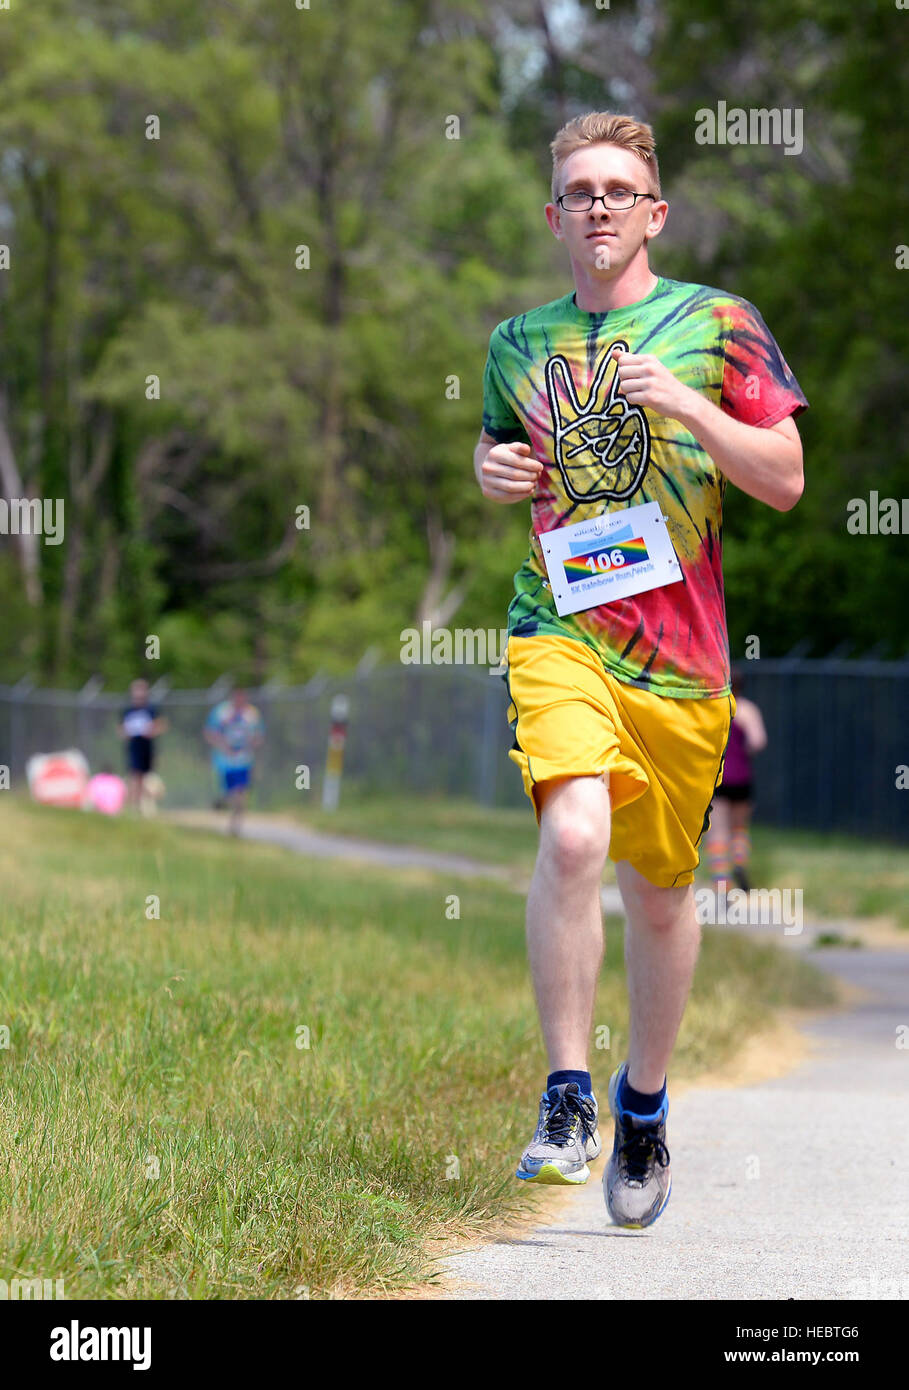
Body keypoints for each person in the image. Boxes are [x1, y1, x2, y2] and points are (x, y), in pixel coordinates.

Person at [475, 112, 807, 1228]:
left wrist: (687, 405)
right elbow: (504, 463)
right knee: (573, 835)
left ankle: (645, 1103)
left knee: (662, 900)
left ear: (655, 212)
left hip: (681, 666)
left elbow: (786, 480)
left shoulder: (720, 325)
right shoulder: (517, 344)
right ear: (555, 215)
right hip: (559, 630)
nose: (601, 204)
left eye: (621, 188)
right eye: (580, 189)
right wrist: (491, 468)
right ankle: (568, 1096)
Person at [706, 668, 767, 894]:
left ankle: (722, 885)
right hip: (742, 778)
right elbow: (758, 741)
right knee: (739, 828)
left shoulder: (715, 708)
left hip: (718, 779)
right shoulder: (748, 710)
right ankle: (739, 862)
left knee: (718, 833)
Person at [203, 688, 265, 835]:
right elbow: (209, 732)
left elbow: (259, 735)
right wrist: (223, 746)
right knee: (230, 793)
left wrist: (250, 745)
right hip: (225, 761)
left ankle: (235, 827)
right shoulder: (221, 712)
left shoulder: (252, 714)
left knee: (241, 793)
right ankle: (224, 803)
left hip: (243, 761)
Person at [118, 680, 168, 812]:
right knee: (135, 776)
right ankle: (135, 806)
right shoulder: (128, 711)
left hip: (147, 747)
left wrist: (151, 731)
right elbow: (121, 730)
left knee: (147, 778)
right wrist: (126, 733)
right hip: (134, 747)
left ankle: (146, 804)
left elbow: (161, 725)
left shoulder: (151, 709)